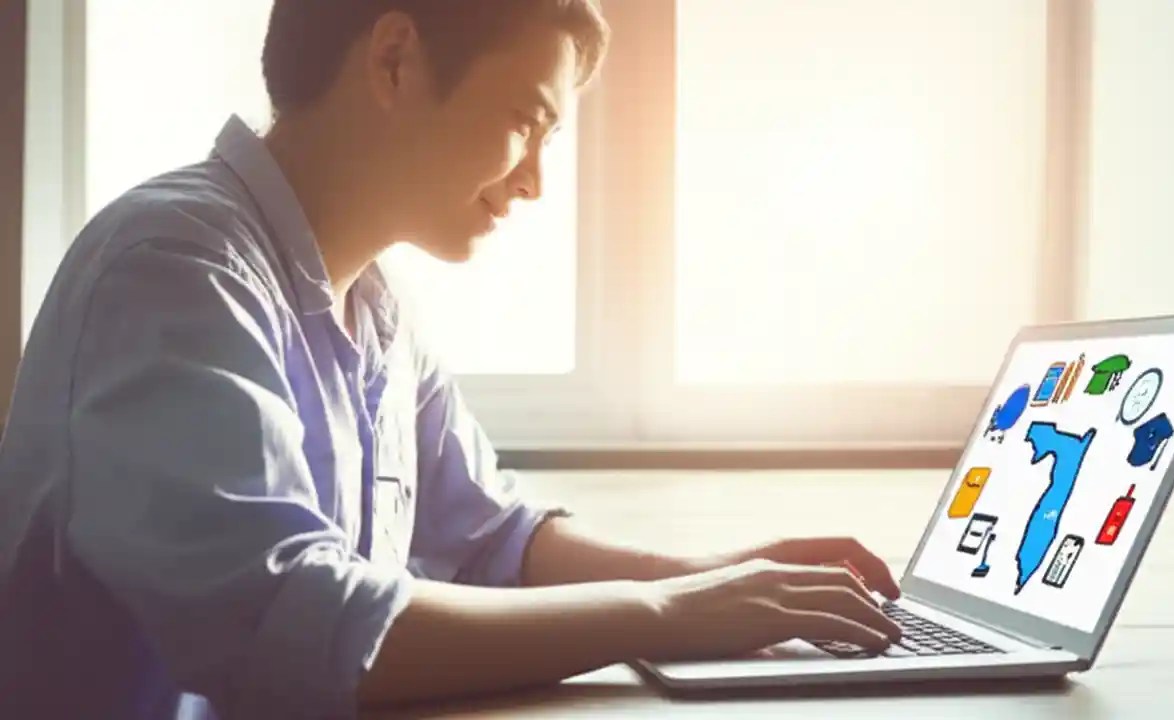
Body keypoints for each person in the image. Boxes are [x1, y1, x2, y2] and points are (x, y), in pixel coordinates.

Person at [0, 1, 902, 717]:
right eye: (525, 120)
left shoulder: (375, 311)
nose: (535, 180)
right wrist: (665, 615)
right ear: (395, 60)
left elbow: (493, 543)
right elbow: (288, 619)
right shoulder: (174, 268)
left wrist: (716, 577)